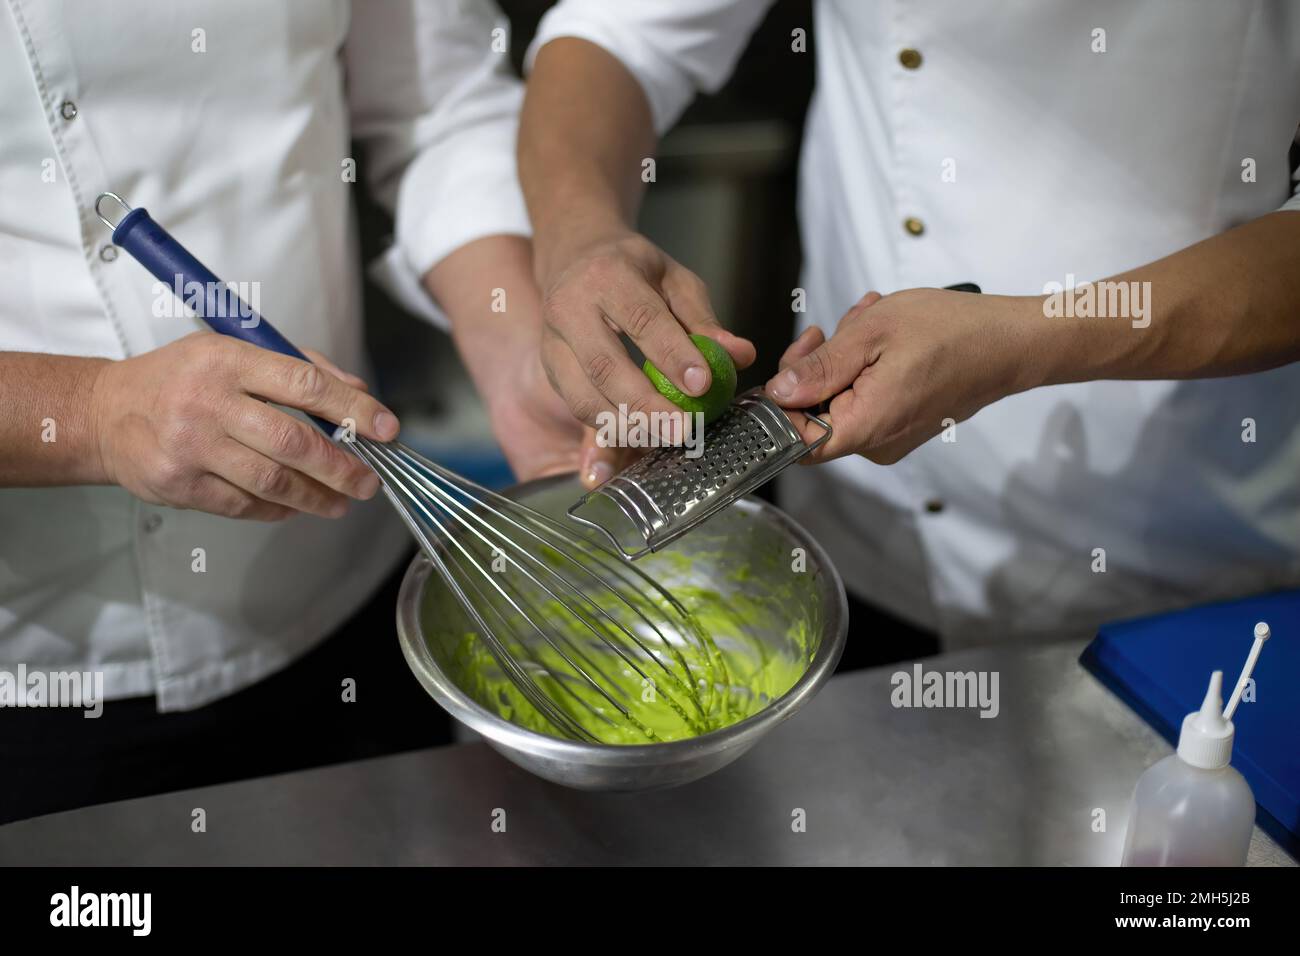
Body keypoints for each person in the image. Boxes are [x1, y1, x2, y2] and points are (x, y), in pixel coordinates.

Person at [517, 0, 1300, 654]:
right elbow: (621, 33)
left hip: (1179, 556)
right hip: (858, 525)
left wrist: (1032, 339)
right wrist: (579, 235)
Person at [0, 0, 579, 822]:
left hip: (345, 593)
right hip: (37, 677)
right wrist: (90, 411)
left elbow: (436, 105)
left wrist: (518, 340)